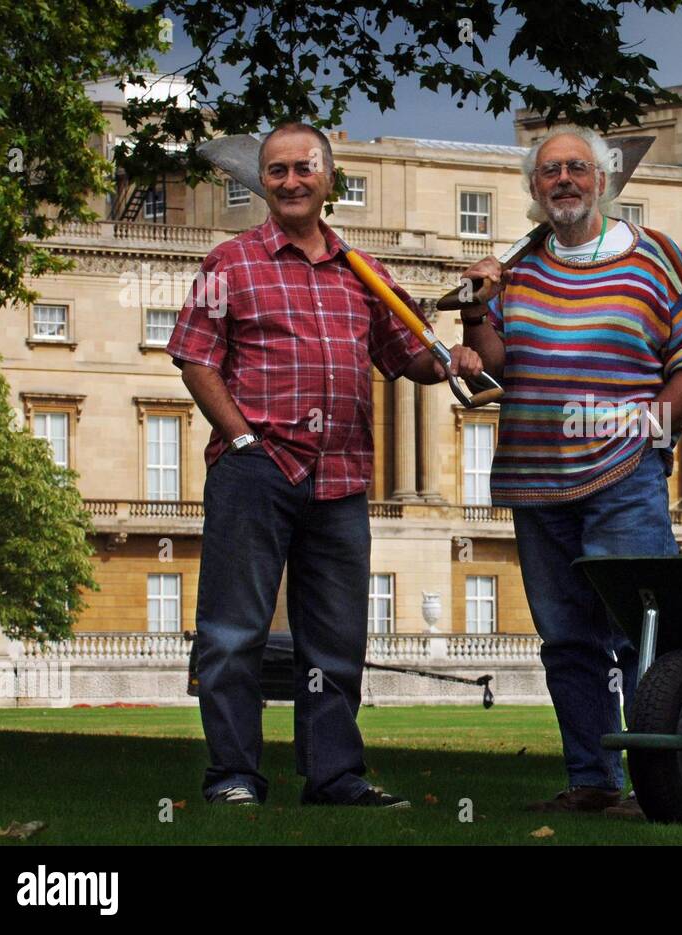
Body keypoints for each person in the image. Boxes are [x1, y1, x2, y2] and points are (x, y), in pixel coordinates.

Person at [168, 122, 483, 808]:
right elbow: (195, 357)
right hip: (256, 471)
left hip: (340, 477)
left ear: (328, 179)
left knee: (336, 639)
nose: (290, 181)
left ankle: (334, 777)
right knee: (233, 632)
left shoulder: (363, 270)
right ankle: (233, 777)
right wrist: (242, 441)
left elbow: (409, 356)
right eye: (276, 170)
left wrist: (451, 360)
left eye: (303, 168)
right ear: (263, 181)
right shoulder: (230, 263)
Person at [458, 127, 682, 817]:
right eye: (550, 170)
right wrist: (475, 306)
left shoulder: (654, 256)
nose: (564, 180)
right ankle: (592, 780)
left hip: (624, 478)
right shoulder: (516, 269)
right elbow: (493, 367)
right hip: (534, 479)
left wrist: (648, 431)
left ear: (602, 182)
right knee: (567, 641)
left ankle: (661, 785)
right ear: (534, 188)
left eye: (577, 167)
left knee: (644, 634)